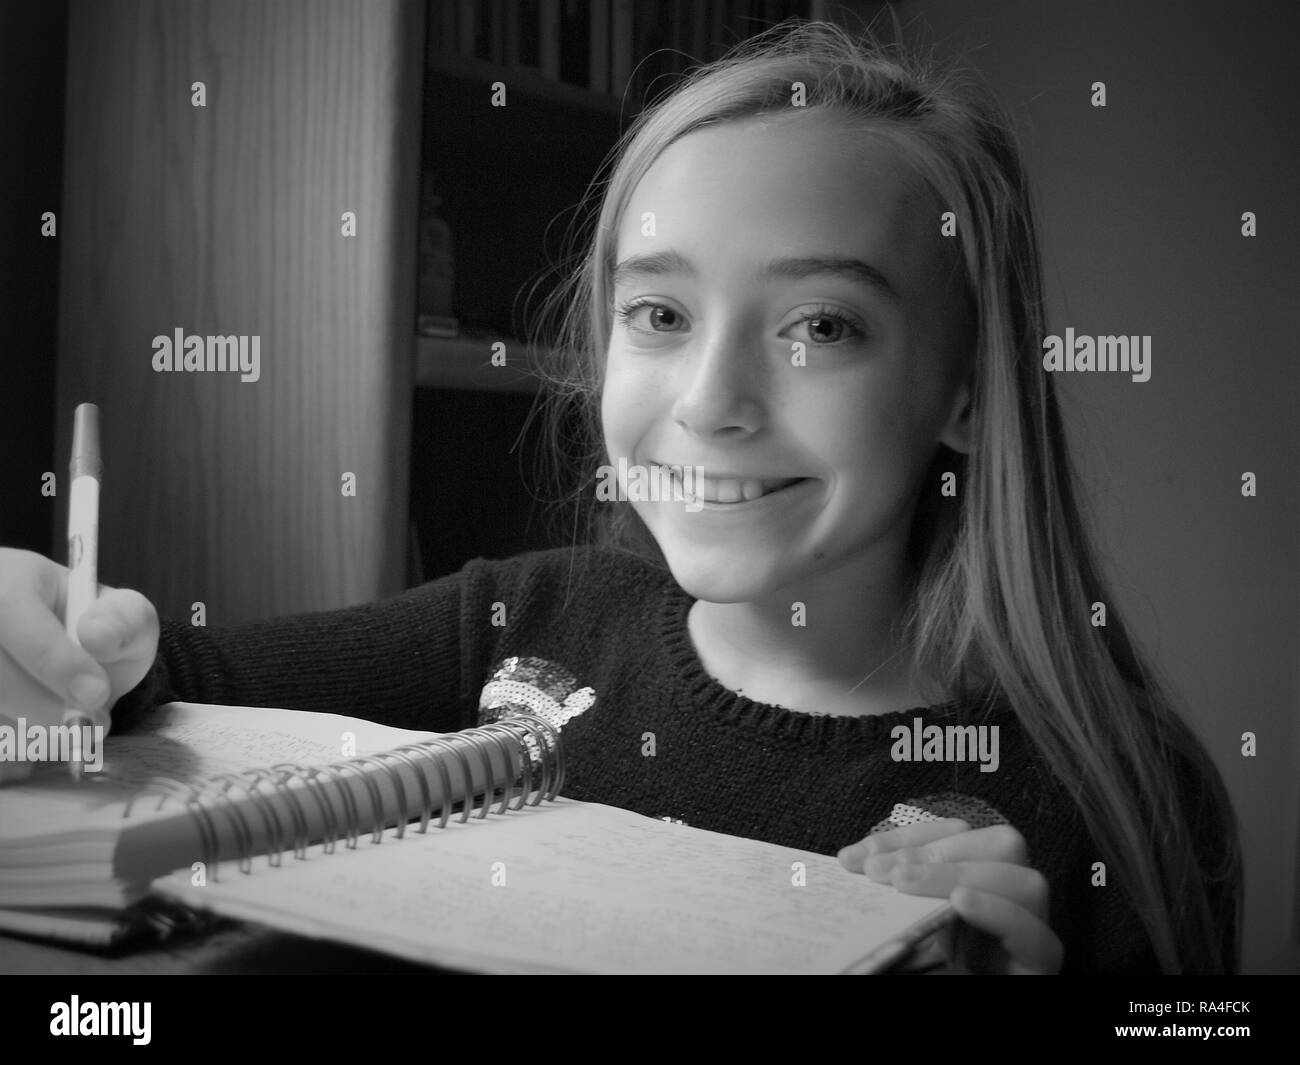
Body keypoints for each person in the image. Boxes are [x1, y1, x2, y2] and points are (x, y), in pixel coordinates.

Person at [0, 20, 1239, 974]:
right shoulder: (519, 620)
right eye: (659, 314)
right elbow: (173, 686)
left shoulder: (1116, 798)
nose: (710, 400)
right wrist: (62, 648)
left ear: (962, 395)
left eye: (820, 324)